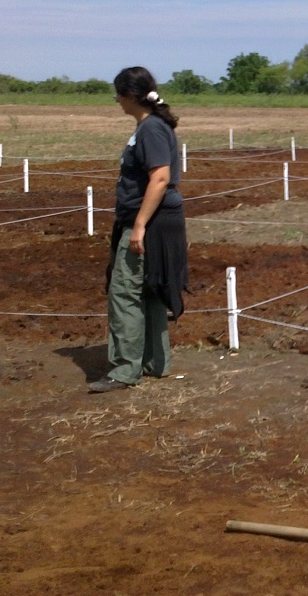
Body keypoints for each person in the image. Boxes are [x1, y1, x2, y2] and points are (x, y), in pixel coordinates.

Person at [90, 66, 189, 393]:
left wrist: (139, 225)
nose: (116, 100)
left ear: (132, 96)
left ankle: (124, 370)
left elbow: (159, 178)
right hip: (156, 222)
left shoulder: (150, 130)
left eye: (118, 94)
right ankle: (153, 362)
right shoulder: (152, 128)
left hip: (150, 224)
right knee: (149, 289)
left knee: (124, 293)